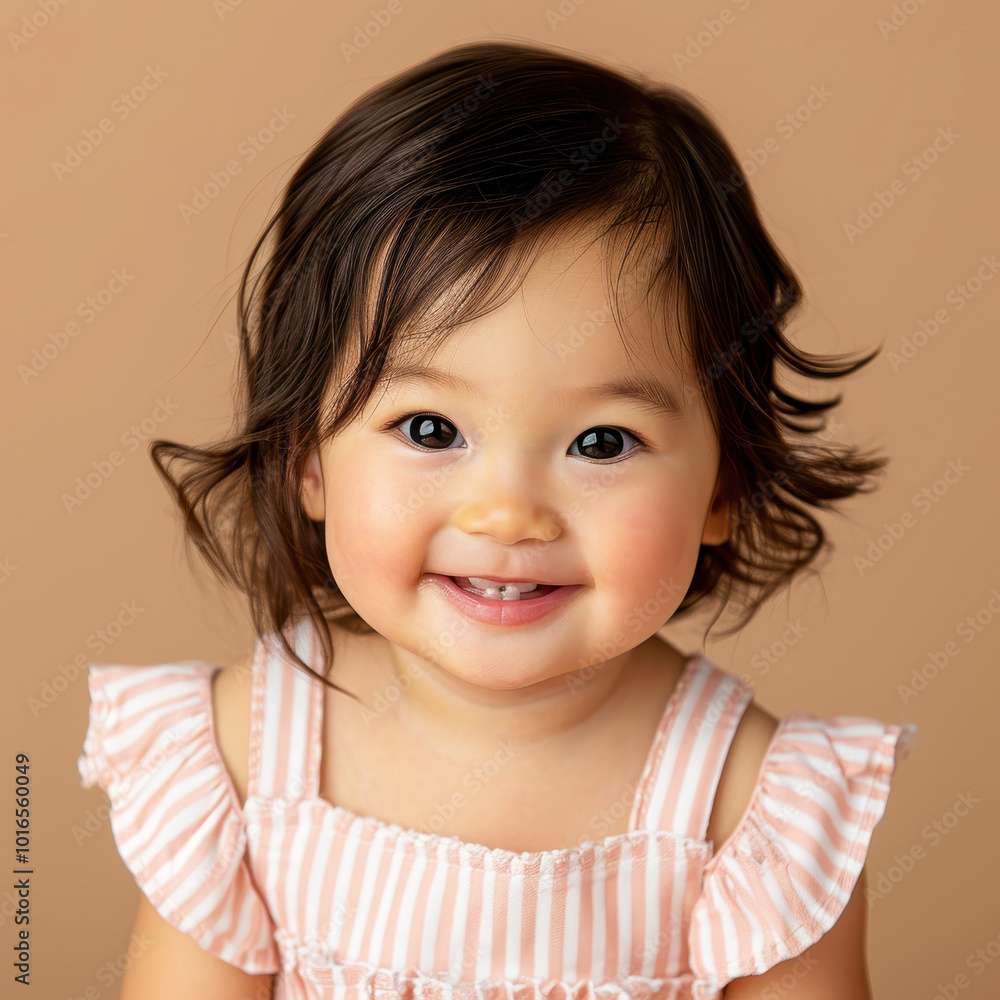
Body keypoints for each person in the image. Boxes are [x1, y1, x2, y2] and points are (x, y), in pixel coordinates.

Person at [77, 39, 918, 1000]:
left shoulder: (750, 811)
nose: (508, 512)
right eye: (430, 427)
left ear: (724, 485)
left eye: (602, 442)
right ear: (308, 458)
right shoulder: (237, 762)